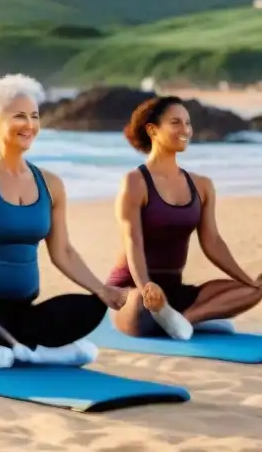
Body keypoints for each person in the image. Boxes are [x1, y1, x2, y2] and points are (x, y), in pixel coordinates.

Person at [0, 74, 127, 368]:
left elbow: (62, 251)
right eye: (19, 116)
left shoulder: (50, 184)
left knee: (92, 306)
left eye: (34, 116)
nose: (29, 124)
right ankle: (8, 346)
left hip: (24, 309)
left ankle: (19, 346)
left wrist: (102, 289)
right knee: (0, 356)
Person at [107, 95, 262, 339]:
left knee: (257, 289)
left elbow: (212, 242)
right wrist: (146, 286)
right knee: (141, 309)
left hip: (175, 291)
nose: (186, 130)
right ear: (152, 130)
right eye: (175, 123)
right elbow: (133, 243)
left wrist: (247, 281)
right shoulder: (135, 183)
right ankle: (183, 318)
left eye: (188, 123)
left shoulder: (202, 185)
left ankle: (185, 320)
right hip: (132, 288)